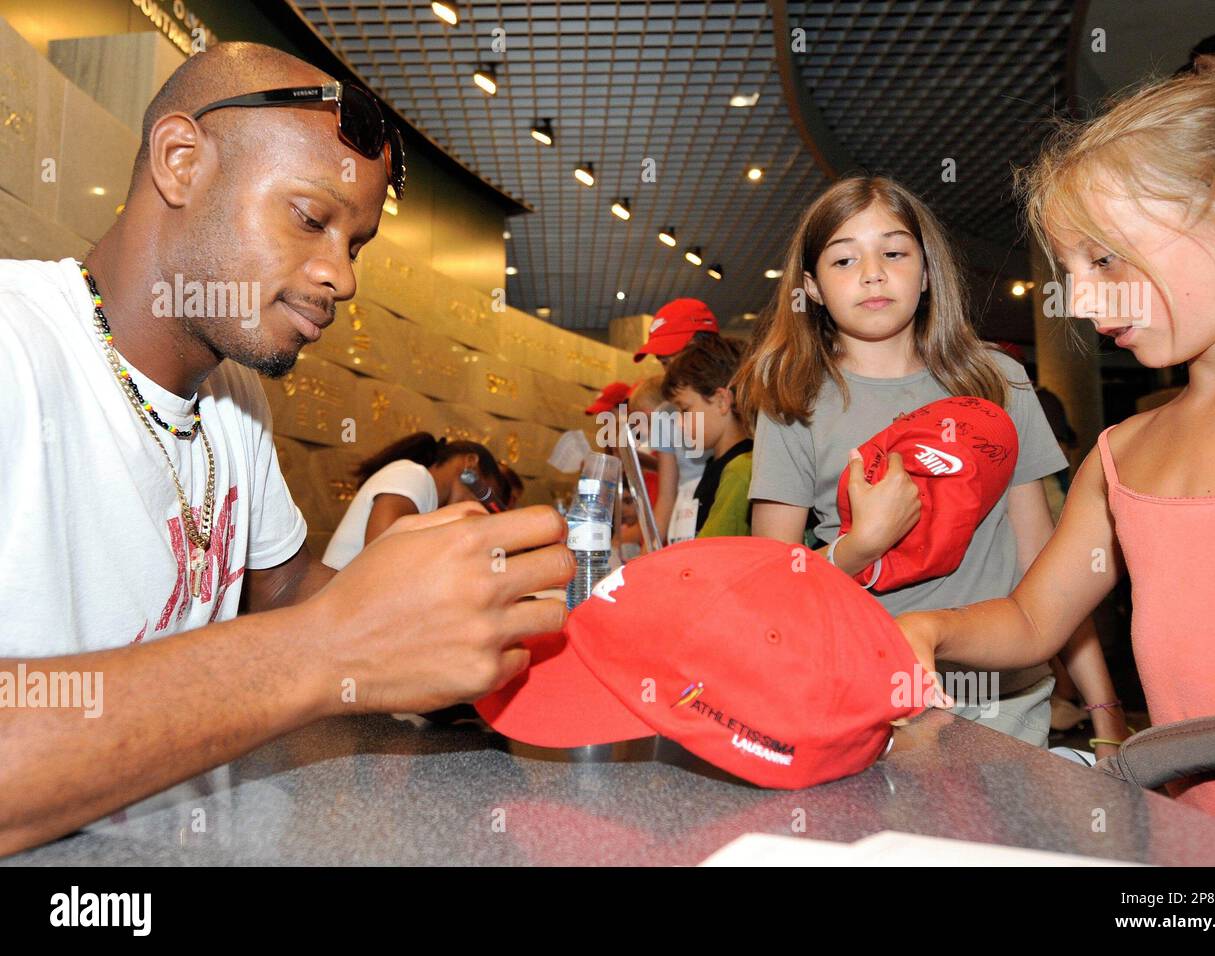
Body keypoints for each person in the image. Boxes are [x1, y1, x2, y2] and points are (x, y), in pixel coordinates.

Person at [0, 42, 571, 855]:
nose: (340, 276)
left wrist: (453, 616)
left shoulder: (237, 400)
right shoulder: (14, 347)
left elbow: (287, 587)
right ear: (180, 161)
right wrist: (330, 648)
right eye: (311, 218)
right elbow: (312, 633)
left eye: (357, 243)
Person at [897, 73, 1215, 845]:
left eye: (1105, 261)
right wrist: (931, 629)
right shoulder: (1123, 454)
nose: (1079, 303)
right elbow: (1030, 617)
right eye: (1070, 273)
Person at [734, 173, 1126, 749]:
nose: (872, 273)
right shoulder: (792, 396)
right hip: (862, 697)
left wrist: (1105, 708)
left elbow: (1044, 564)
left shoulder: (999, 381)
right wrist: (861, 545)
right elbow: (773, 587)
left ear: (925, 272)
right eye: (843, 261)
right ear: (812, 287)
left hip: (1002, 699)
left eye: (893, 252)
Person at [322, 434, 506, 569]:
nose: (481, 506)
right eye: (484, 494)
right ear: (470, 463)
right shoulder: (413, 475)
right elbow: (384, 557)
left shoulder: (428, 500)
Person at [633, 298, 720, 538]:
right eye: (663, 363)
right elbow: (666, 496)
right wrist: (647, 555)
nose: (669, 372)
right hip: (682, 529)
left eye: (673, 359)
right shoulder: (665, 415)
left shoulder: (736, 405)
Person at [662, 336, 753, 537]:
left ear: (722, 401)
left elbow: (710, 553)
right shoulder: (716, 463)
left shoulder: (740, 470)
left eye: (685, 409)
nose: (679, 423)